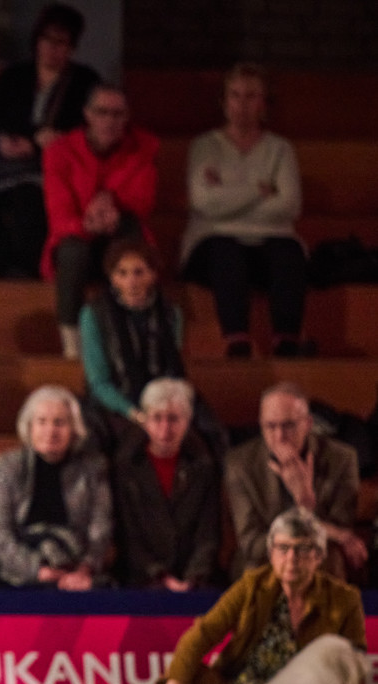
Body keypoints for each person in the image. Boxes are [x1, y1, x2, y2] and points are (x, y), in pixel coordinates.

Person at [109, 507, 365, 684]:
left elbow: (356, 666)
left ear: (318, 556)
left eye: (302, 549)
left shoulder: (345, 600)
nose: (291, 558)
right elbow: (202, 633)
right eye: (283, 548)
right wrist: (176, 682)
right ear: (271, 553)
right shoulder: (252, 586)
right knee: (197, 676)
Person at [0, 3, 99, 277]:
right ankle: (3, 268)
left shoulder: (84, 81)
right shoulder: (13, 76)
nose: (52, 48)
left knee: (29, 202)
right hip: (7, 163)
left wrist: (40, 144)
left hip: (52, 167)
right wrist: (5, 141)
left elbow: (85, 129)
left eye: (61, 43)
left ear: (71, 48)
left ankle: (30, 271)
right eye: (47, 39)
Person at [182, 63, 308, 358]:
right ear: (224, 102)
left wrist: (227, 196)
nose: (242, 104)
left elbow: (289, 205)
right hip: (210, 244)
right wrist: (258, 191)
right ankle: (237, 341)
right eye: (235, 95)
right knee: (226, 250)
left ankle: (287, 342)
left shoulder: (280, 149)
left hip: (270, 241)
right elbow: (204, 203)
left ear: (264, 103)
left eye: (251, 96)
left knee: (288, 251)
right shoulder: (204, 147)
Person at [42, 84, 158, 360]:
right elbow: (59, 213)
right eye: (102, 112)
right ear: (87, 114)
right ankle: (73, 346)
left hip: (119, 231)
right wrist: (88, 225)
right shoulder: (60, 151)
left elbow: (144, 201)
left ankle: (134, 335)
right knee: (72, 250)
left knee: (131, 240)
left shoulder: (143, 147)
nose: (110, 121)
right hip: (77, 235)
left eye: (118, 114)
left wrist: (110, 202)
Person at [224, 382, 364, 580]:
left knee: (331, 559)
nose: (280, 437)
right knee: (253, 567)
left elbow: (342, 535)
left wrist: (304, 502)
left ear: (308, 424)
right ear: (261, 425)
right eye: (270, 426)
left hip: (317, 557)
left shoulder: (341, 459)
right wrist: (317, 528)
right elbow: (252, 544)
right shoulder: (240, 463)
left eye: (288, 425)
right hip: (265, 558)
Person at [0, 385, 111, 590]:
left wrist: (85, 569)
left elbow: (100, 530)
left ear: (74, 428)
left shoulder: (92, 469)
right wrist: (37, 571)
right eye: (42, 422)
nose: (51, 431)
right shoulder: (6, 466)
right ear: (29, 427)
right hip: (17, 573)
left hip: (75, 571)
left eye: (59, 422)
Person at [78, 238, 187, 451]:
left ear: (153, 275)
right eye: (122, 273)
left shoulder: (171, 314)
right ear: (112, 278)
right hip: (114, 405)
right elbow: (98, 382)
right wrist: (135, 413)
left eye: (139, 272)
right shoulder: (94, 314)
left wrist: (160, 411)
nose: (131, 282)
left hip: (161, 403)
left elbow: (173, 370)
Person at [111, 378, 219, 590]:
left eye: (173, 419)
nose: (164, 428)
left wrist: (193, 577)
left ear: (187, 421)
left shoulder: (204, 466)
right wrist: (159, 576)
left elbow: (208, 535)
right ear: (145, 421)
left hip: (194, 582)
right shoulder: (126, 468)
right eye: (156, 418)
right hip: (140, 580)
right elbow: (128, 536)